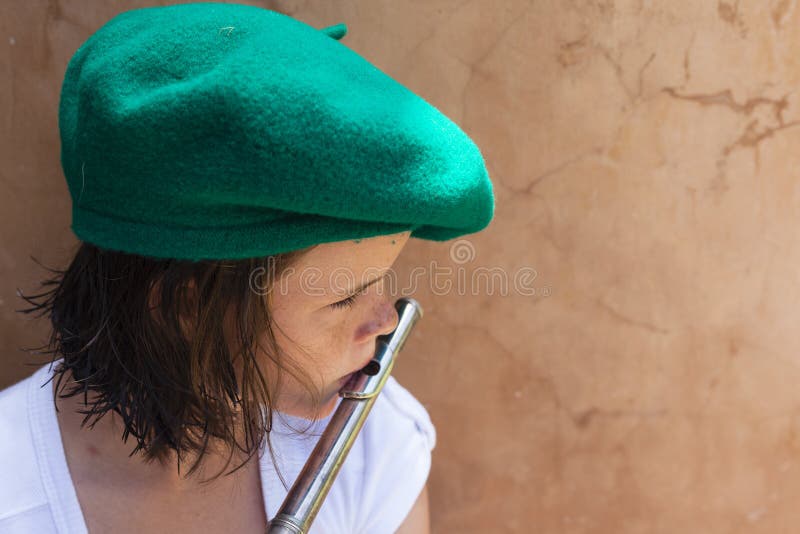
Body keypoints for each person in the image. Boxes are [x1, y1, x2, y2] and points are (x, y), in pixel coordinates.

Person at [0, 3, 494, 533]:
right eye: (344, 296)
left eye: (379, 285)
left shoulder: (374, 450)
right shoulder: (14, 489)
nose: (385, 321)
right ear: (184, 307)